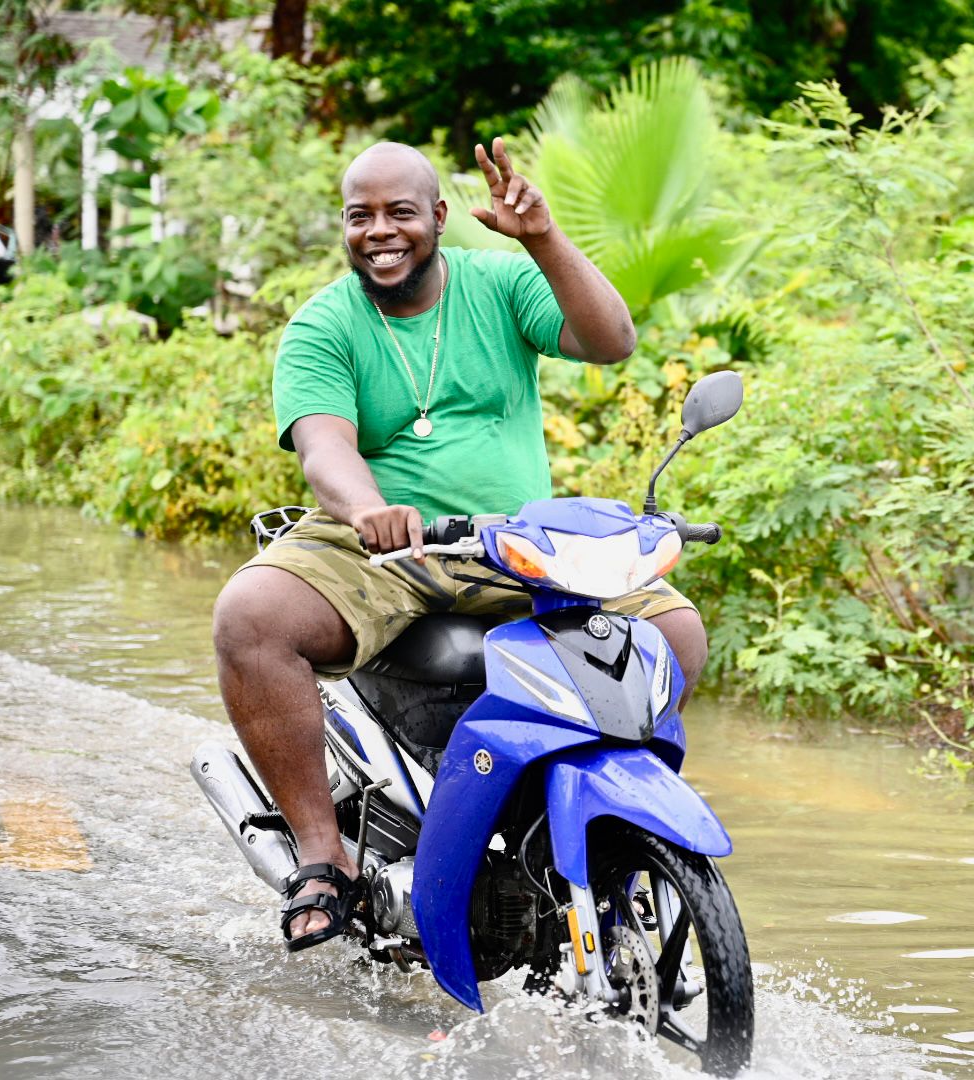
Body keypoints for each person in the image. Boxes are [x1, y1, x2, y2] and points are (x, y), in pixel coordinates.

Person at [211, 139, 709, 952]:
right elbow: (323, 447)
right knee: (251, 616)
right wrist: (370, 507)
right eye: (359, 216)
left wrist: (542, 237)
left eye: (400, 212)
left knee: (676, 631)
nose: (380, 231)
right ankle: (323, 856)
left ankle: (605, 826)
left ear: (438, 216)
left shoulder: (502, 282)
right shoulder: (324, 325)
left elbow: (611, 340)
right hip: (384, 547)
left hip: (520, 541)